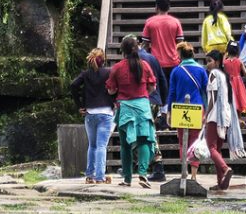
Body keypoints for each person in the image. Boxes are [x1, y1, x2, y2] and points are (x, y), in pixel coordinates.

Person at [106, 36, 159, 187]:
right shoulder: (144, 65)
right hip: (143, 106)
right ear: (137, 48)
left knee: (125, 145)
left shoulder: (117, 67)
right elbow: (152, 87)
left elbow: (111, 90)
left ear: (122, 50)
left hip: (125, 108)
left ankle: (127, 178)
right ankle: (143, 174)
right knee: (145, 141)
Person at [70, 47, 116, 184]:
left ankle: (89, 175)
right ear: (103, 61)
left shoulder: (85, 74)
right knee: (102, 145)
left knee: (93, 145)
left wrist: (79, 105)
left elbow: (73, 85)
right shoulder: (108, 73)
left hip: (90, 113)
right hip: (106, 113)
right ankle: (100, 176)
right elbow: (114, 88)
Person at [167, 41, 208, 172]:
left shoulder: (176, 71)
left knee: (182, 141)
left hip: (179, 109)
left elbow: (172, 93)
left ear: (180, 54)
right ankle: (194, 174)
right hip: (197, 109)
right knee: (195, 141)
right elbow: (207, 92)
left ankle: (184, 171)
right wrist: (207, 111)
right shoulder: (201, 70)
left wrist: (169, 112)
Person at [200, 51, 236, 192]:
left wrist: (206, 114)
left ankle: (225, 169)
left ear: (216, 62)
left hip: (215, 116)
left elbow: (213, 97)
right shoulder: (225, 76)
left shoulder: (214, 75)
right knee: (218, 149)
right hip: (225, 116)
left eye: (209, 60)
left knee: (211, 148)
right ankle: (221, 182)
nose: (207, 64)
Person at [140, 0, 183, 100]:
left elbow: (145, 44)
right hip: (174, 61)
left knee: (158, 90)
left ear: (156, 7)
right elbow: (180, 42)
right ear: (168, 7)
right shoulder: (175, 22)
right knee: (172, 90)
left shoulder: (150, 22)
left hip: (156, 63)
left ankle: (160, 112)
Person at [221, 43, 246, 158]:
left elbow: (222, 64)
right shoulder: (239, 61)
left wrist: (225, 55)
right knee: (239, 101)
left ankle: (235, 120)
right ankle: (239, 118)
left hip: (229, 83)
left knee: (231, 102)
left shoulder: (224, 62)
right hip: (238, 82)